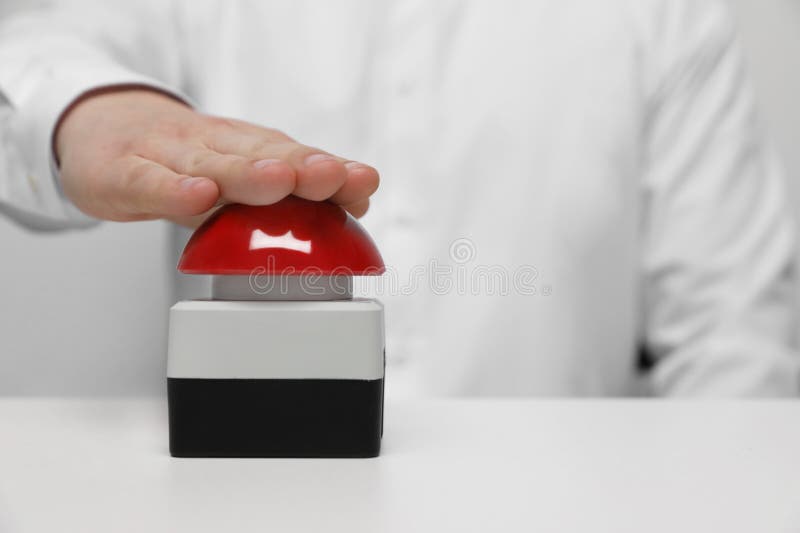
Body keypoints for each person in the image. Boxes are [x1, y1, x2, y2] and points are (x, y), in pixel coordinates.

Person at [0, 0, 797, 396]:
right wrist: (85, 109)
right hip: (244, 500)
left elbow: (738, 348)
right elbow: (29, 54)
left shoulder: (669, 18)